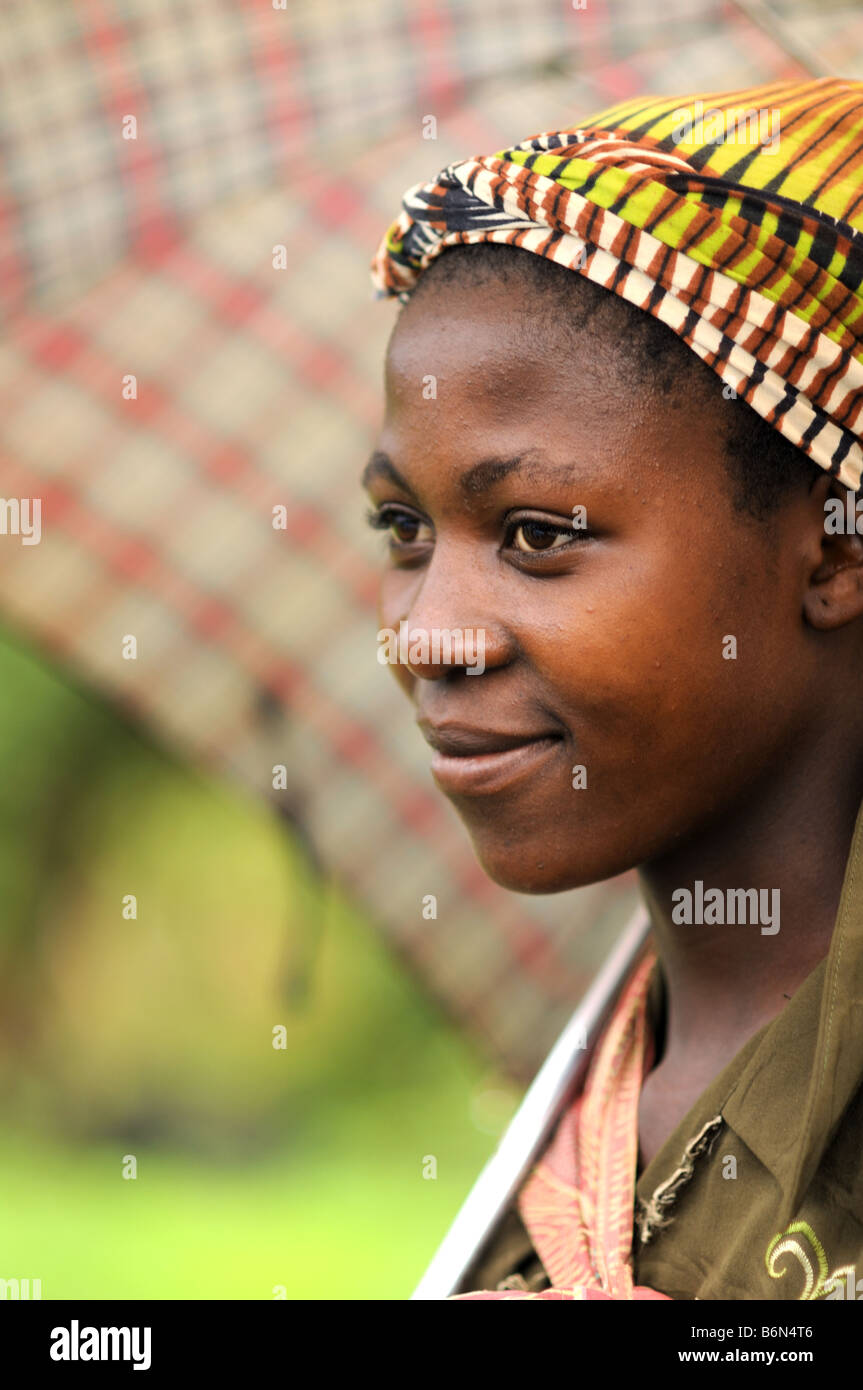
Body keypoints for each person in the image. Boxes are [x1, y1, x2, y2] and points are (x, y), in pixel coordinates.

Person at [363, 76, 863, 1300]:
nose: (426, 637)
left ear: (833, 550)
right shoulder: (574, 1119)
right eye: (402, 529)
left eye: (536, 534)